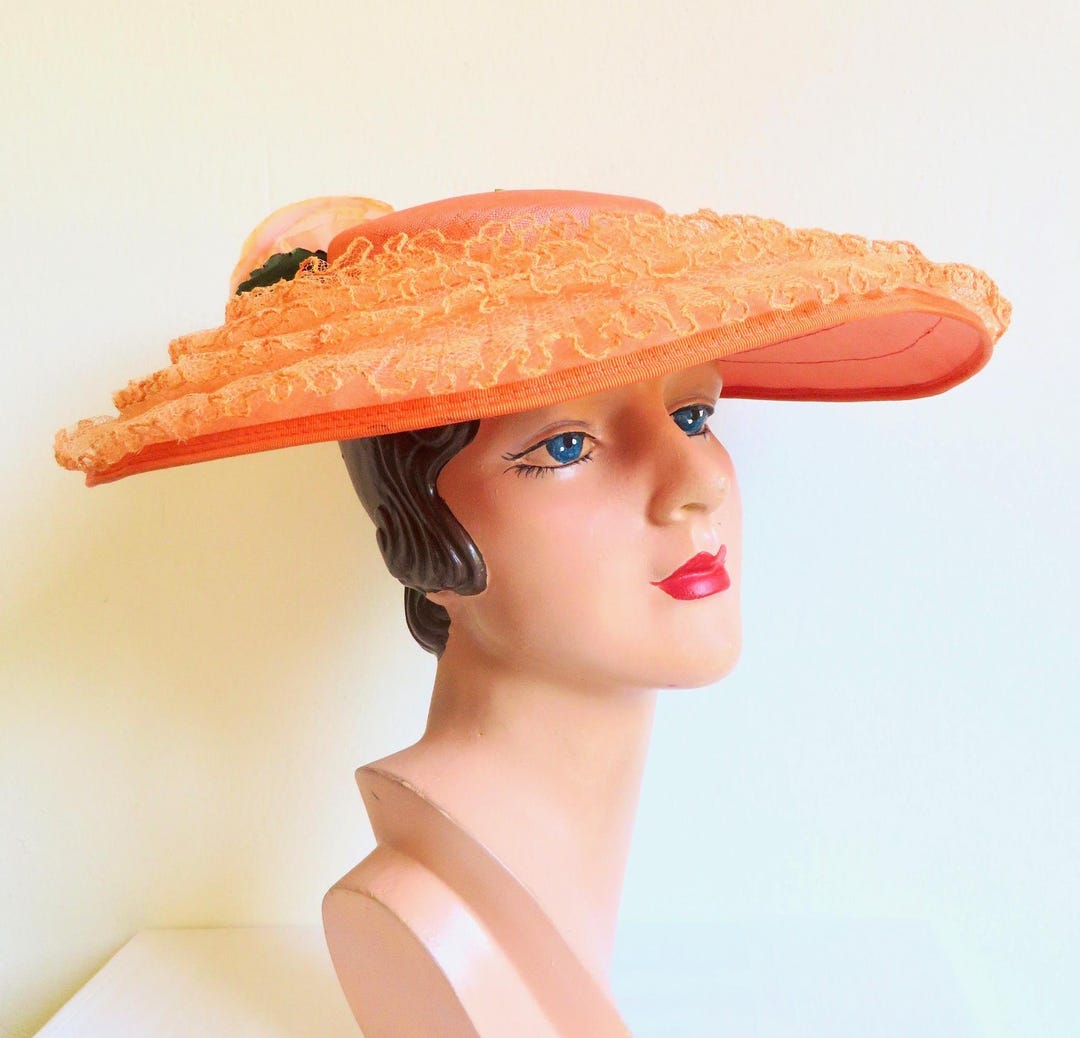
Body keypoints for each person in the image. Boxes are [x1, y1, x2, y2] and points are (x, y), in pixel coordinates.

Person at [55, 189, 1010, 1036]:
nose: (693, 486)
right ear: (421, 535)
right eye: (563, 445)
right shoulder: (417, 918)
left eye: (693, 414)